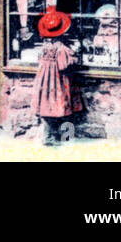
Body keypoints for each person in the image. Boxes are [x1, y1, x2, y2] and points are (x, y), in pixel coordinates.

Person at [33, 8, 83, 145]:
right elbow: (63, 65)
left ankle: (48, 136)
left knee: (47, 107)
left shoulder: (44, 47)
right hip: (59, 80)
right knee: (64, 106)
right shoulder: (61, 48)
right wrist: (75, 54)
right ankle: (66, 136)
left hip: (45, 81)